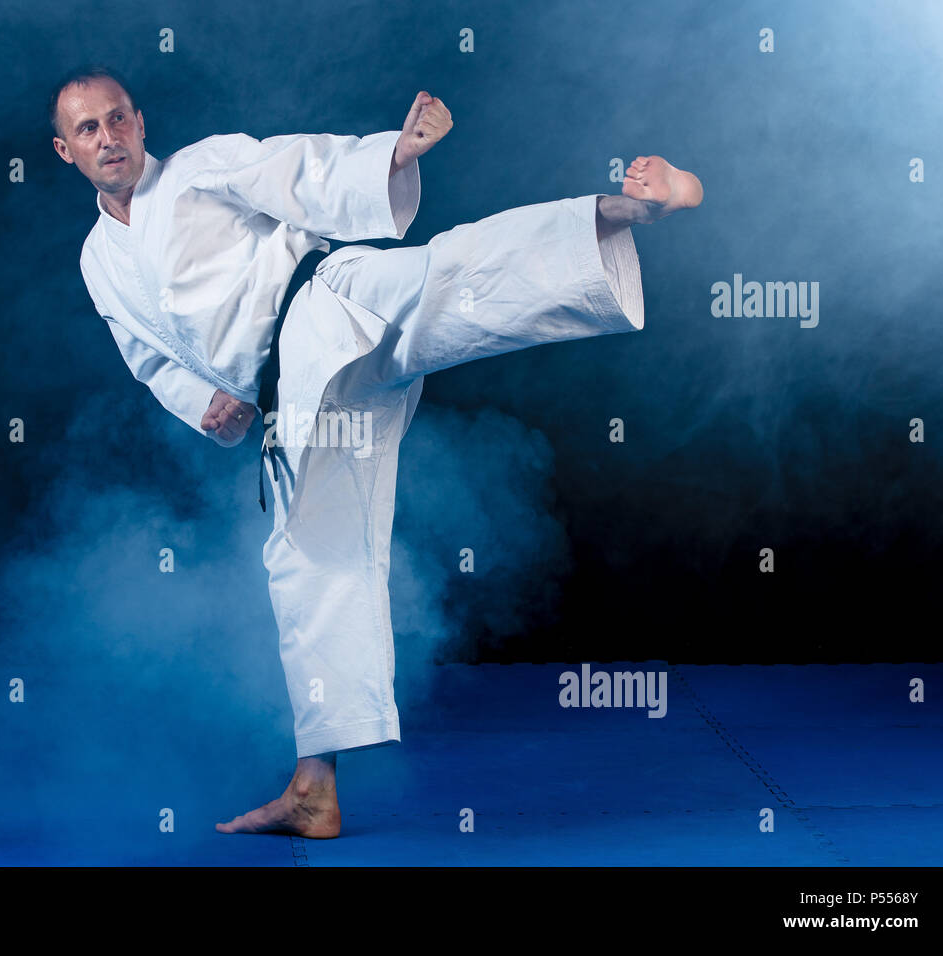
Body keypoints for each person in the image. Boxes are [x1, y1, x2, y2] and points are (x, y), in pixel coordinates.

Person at [50, 65, 702, 839]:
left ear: (140, 122)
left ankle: (633, 207)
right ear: (66, 151)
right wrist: (205, 403)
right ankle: (313, 788)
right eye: (88, 129)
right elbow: (147, 355)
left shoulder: (198, 170)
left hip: (331, 301)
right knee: (303, 560)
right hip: (298, 398)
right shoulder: (98, 260)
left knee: (446, 274)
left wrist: (392, 156)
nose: (108, 137)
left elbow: (295, 168)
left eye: (117, 118)